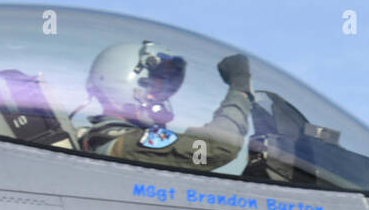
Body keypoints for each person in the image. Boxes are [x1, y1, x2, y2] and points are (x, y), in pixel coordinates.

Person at [78, 40, 253, 170]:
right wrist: (240, 91)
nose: (160, 100)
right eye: (153, 89)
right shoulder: (121, 144)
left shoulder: (115, 141)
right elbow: (216, 147)